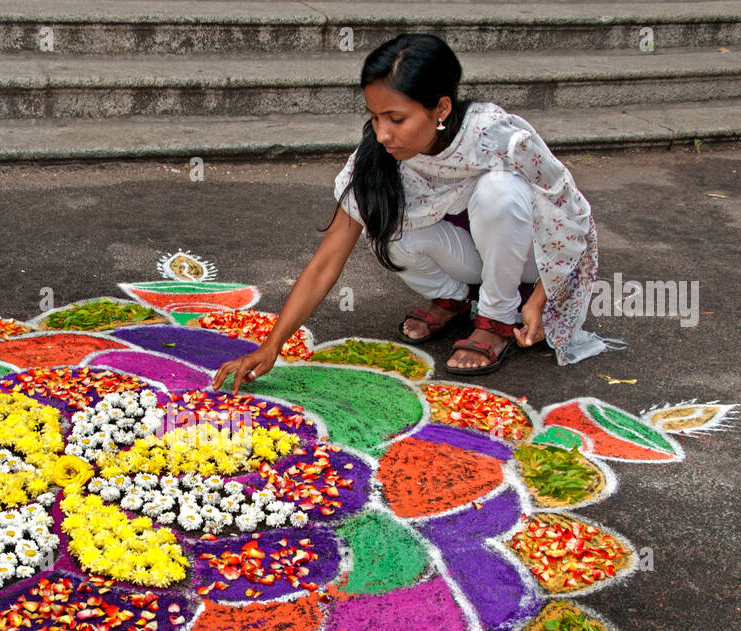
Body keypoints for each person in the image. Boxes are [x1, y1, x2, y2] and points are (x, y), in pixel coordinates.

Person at [213, 33, 617, 393]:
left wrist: (543, 298)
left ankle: (495, 321)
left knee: (499, 190)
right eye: (374, 116)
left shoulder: (497, 137)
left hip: (534, 265)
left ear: (440, 108)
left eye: (397, 119)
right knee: (384, 224)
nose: (383, 133)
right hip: (475, 259)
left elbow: (572, 215)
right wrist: (271, 346)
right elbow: (327, 260)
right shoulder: (379, 154)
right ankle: (455, 298)